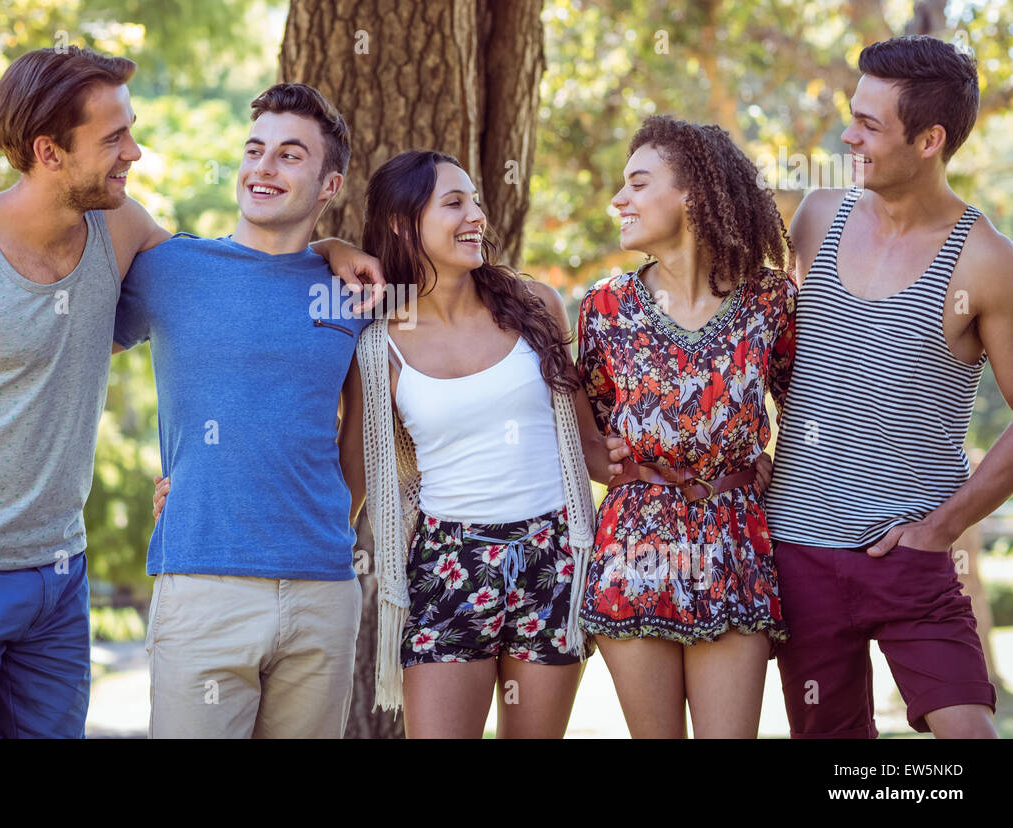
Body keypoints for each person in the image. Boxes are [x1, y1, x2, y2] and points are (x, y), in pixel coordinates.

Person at [0, 59, 376, 737]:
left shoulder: (130, 235)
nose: (134, 152)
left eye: (289, 155)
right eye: (115, 138)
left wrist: (333, 246)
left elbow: (243, 291)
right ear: (49, 152)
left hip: (77, 577)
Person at [113, 83, 379, 739]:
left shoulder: (352, 289)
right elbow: (49, 273)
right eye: (255, 150)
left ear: (329, 185)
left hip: (323, 590)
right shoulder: (170, 268)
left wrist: (329, 520)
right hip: (203, 584)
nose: (263, 168)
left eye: (290, 156)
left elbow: (367, 435)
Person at [764, 35, 1009, 738]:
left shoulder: (987, 261)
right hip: (798, 551)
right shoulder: (815, 217)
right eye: (853, 114)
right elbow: (771, 359)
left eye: (870, 125)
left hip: (910, 558)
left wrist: (941, 528)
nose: (848, 134)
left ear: (930, 139)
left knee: (968, 733)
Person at [356, 150, 607, 738]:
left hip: (554, 555)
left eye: (474, 201)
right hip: (449, 566)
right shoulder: (378, 348)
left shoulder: (534, 306)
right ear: (401, 221)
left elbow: (589, 444)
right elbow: (351, 479)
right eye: (454, 203)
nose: (476, 216)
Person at [581, 115, 793, 738]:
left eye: (638, 183)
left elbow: (805, 412)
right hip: (635, 545)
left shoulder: (769, 301)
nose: (619, 199)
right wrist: (605, 456)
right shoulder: (605, 307)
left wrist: (768, 466)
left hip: (735, 539)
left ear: (694, 194)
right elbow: (587, 431)